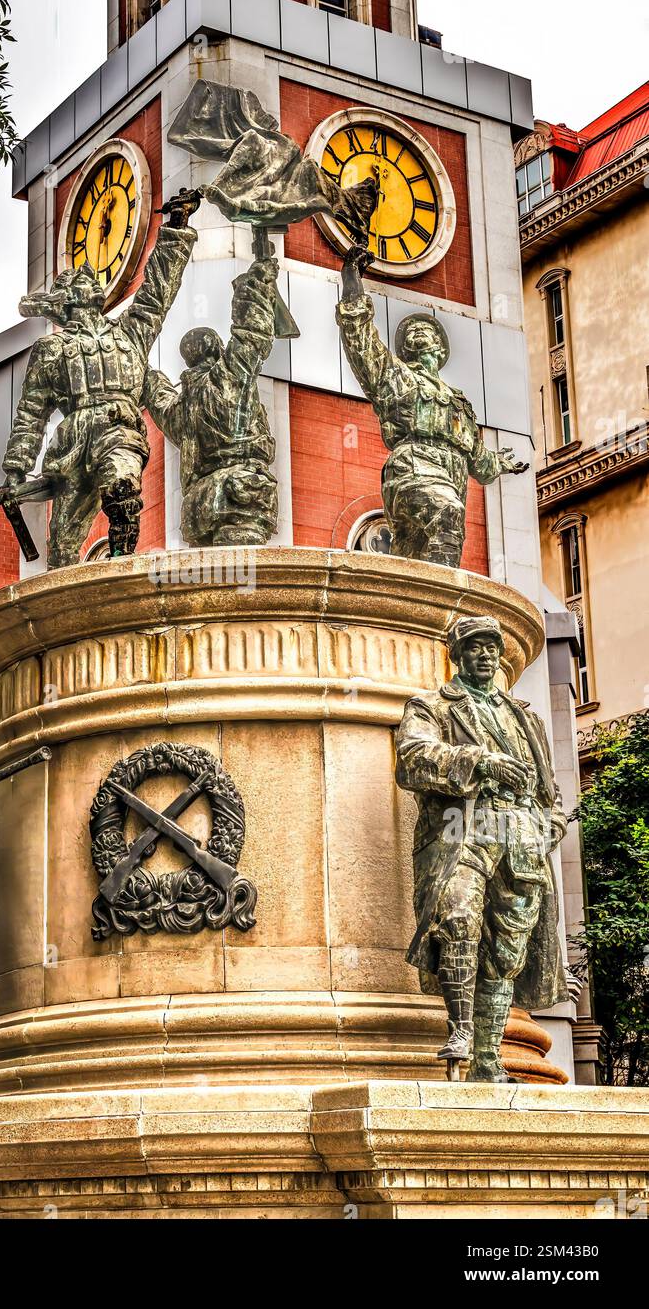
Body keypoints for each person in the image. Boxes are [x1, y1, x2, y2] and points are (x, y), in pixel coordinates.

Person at [394, 616, 568, 1081]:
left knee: (507, 954)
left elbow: (550, 792)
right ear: (458, 654)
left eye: (493, 647)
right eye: (475, 647)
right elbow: (412, 760)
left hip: (521, 838)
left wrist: (550, 826)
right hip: (462, 831)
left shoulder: (524, 716)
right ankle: (460, 1031)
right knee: (456, 915)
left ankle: (488, 1060)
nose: (487, 655)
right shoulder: (433, 706)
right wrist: (482, 762)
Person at [2, 200, 200, 567]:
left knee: (122, 488)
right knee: (62, 548)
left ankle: (122, 566)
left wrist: (175, 226)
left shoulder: (131, 331)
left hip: (117, 428)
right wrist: (16, 467)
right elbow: (31, 412)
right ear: (63, 301)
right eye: (78, 280)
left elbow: (156, 292)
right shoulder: (51, 349)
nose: (90, 278)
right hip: (73, 442)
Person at [337, 246, 528, 567]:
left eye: (427, 330)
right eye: (411, 332)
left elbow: (478, 462)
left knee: (417, 562)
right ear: (406, 349)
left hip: (450, 480)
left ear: (441, 349)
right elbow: (361, 343)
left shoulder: (460, 404)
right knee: (446, 515)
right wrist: (352, 284)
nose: (418, 332)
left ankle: (404, 610)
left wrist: (499, 464)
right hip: (413, 473)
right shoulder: (394, 376)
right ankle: (447, 608)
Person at [145, 252, 279, 547]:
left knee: (211, 582)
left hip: (198, 505)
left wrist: (131, 355)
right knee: (246, 582)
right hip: (241, 496)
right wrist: (257, 283)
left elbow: (155, 390)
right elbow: (251, 336)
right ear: (218, 348)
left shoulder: (180, 409)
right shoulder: (229, 378)